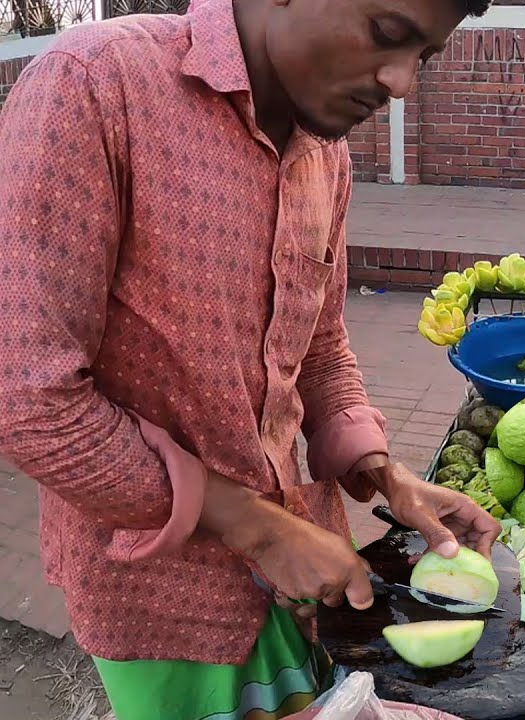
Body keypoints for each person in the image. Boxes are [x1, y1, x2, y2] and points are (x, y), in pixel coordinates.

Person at [0, 0, 496, 717]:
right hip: (165, 603)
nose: (400, 83)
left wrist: (384, 473)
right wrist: (258, 528)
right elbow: (27, 397)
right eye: (388, 34)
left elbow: (318, 343)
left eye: (425, 56)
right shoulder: (94, 87)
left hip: (310, 575)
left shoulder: (326, 151)